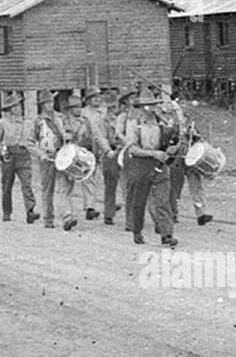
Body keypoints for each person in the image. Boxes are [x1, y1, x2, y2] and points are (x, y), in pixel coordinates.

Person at [122, 87, 178, 247]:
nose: (150, 108)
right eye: (146, 105)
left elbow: (171, 140)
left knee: (162, 201)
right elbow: (131, 148)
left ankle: (167, 234)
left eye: (152, 104)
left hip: (160, 164)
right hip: (141, 164)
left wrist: (172, 149)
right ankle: (137, 231)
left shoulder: (163, 121)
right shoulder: (134, 123)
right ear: (140, 107)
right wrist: (153, 153)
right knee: (138, 200)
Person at [162, 85, 214, 227]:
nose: (183, 106)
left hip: (190, 155)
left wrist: (196, 136)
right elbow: (167, 137)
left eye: (184, 103)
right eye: (180, 103)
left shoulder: (189, 121)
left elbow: (197, 137)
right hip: (177, 157)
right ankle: (173, 212)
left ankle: (201, 213)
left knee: (196, 184)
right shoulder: (169, 120)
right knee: (174, 187)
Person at [0, 92, 40, 223]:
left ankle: (30, 211)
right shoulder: (2, 123)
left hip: (23, 154)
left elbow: (32, 138)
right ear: (9, 109)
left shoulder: (27, 122)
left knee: (27, 184)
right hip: (9, 154)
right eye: (14, 106)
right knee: (7, 184)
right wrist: (2, 149)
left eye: (18, 105)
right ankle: (7, 212)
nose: (17, 108)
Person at [75, 88, 112, 222]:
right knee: (88, 176)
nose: (98, 99)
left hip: (104, 146)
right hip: (88, 146)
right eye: (94, 97)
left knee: (107, 176)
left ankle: (109, 204)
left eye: (98, 97)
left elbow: (108, 129)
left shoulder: (104, 111)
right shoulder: (83, 113)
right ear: (88, 100)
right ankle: (90, 207)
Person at [55, 94, 90, 231]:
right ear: (70, 109)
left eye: (79, 107)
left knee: (75, 185)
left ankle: (84, 207)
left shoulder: (84, 121)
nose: (78, 110)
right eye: (75, 107)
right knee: (64, 187)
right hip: (65, 156)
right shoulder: (63, 121)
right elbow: (63, 137)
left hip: (79, 157)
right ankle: (66, 215)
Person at [32, 91, 66, 229]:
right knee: (48, 189)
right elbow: (30, 142)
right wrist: (40, 154)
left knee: (64, 187)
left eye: (51, 102)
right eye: (46, 103)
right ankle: (48, 218)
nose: (49, 105)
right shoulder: (38, 121)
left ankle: (66, 216)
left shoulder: (60, 118)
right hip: (47, 156)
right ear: (42, 105)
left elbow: (67, 132)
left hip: (61, 154)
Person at [101, 90, 130, 225]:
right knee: (110, 185)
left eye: (114, 106)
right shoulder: (102, 121)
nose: (111, 110)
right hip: (110, 153)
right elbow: (101, 138)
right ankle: (108, 213)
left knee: (126, 185)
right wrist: (107, 150)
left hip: (123, 152)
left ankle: (129, 218)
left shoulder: (124, 119)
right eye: (109, 107)